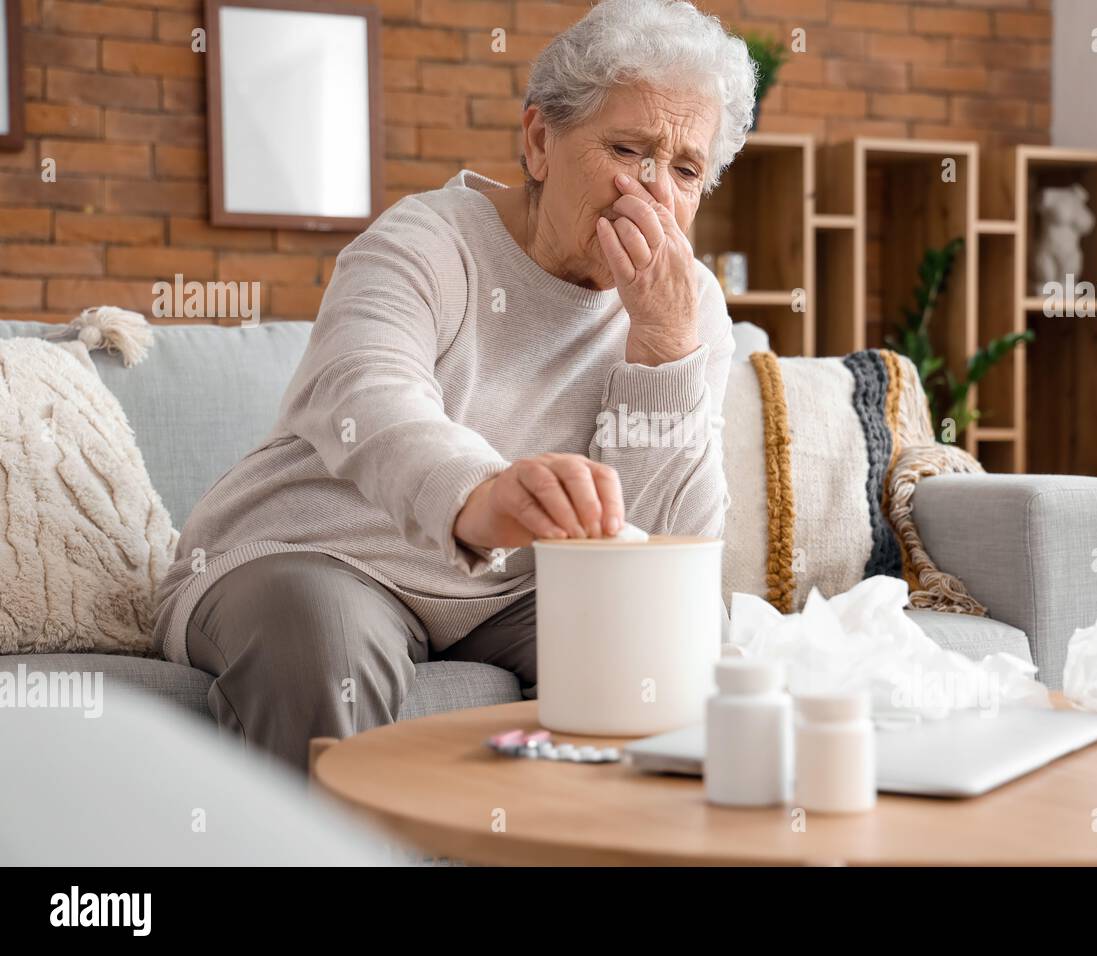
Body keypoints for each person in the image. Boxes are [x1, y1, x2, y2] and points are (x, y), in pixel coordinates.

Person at [152, 0, 755, 770]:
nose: (653, 190)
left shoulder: (688, 304)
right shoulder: (427, 241)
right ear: (540, 140)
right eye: (628, 147)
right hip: (315, 556)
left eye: (684, 168)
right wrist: (479, 494)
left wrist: (665, 353)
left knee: (663, 653)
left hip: (510, 594)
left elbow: (672, 549)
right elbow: (367, 395)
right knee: (324, 644)